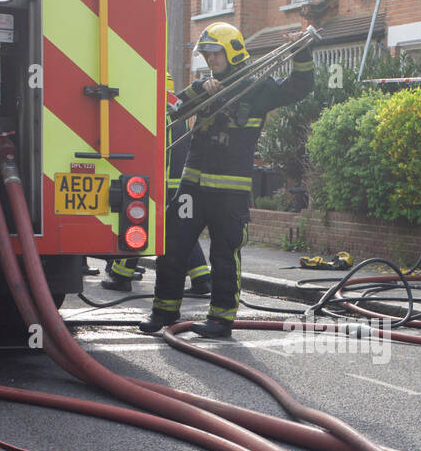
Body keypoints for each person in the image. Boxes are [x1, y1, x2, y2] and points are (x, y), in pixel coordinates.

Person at [139, 23, 313, 338]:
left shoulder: (257, 88)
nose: (210, 59)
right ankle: (163, 312)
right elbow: (173, 108)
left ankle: (220, 320)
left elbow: (299, 87)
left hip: (229, 193)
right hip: (192, 188)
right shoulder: (207, 85)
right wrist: (198, 89)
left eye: (215, 53)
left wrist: (302, 51)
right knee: (172, 246)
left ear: (232, 50)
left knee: (224, 254)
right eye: (206, 54)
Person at [102, 77, 211, 295]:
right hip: (178, 183)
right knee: (178, 230)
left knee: (137, 223)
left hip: (159, 184)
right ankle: (201, 278)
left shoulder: (154, 110)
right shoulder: (177, 109)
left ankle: (122, 276)